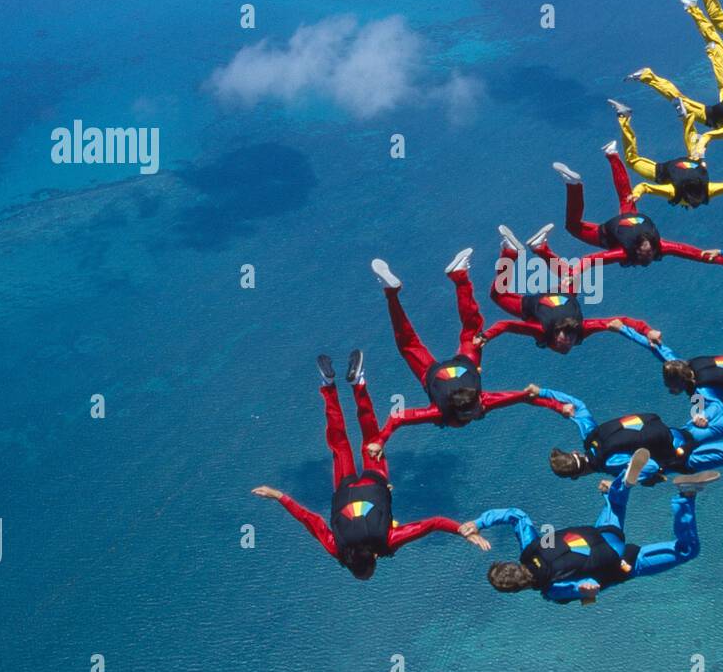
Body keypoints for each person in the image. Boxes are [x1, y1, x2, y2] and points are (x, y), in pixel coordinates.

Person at [250, 352, 490, 580]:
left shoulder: (389, 540)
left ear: (374, 558)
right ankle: (329, 384)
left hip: (375, 481)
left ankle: (358, 382)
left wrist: (461, 530)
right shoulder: (336, 549)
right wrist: (277, 495)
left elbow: (433, 523)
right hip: (344, 486)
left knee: (370, 437)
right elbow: (309, 520)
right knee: (339, 443)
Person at [367, 250, 572, 452]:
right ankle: (396, 292)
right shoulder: (463, 406)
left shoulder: (453, 409)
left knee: (467, 330)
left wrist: (559, 407)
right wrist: (380, 441)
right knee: (413, 343)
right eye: (477, 408)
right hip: (446, 372)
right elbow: (398, 418)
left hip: (457, 369)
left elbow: (524, 396)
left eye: (476, 408)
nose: (480, 408)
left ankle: (458, 277)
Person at [466, 450, 709, 604]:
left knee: (687, 550)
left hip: (622, 559)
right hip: (602, 531)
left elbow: (582, 588)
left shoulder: (551, 589)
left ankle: (685, 496)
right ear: (512, 565)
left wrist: (586, 592)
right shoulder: (530, 548)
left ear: (517, 590)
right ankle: (620, 483)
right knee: (615, 501)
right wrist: (478, 523)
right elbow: (516, 516)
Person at [537, 380, 723, 486]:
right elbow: (578, 407)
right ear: (576, 452)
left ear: (577, 476)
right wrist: (543, 392)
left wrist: (629, 481)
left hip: (682, 457)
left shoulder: (610, 463)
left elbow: (649, 466)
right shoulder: (591, 436)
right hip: (677, 432)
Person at [479, 224, 662, 354]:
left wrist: (647, 331)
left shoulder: (575, 329)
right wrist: (485, 336)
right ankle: (524, 251)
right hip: (546, 301)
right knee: (498, 294)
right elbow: (507, 325)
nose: (565, 345)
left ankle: (536, 249)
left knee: (570, 276)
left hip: (563, 296)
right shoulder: (550, 329)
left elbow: (505, 326)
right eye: (567, 343)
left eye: (562, 344)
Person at [552, 153, 723, 270]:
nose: (649, 255)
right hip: (609, 232)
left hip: (633, 220)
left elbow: (695, 254)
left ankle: (612, 155)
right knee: (573, 227)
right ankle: (574, 184)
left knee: (626, 198)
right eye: (648, 254)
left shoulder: (659, 244)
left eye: (646, 254)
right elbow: (591, 260)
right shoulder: (624, 251)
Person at [607, 100, 723, 208]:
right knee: (632, 160)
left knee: (695, 149)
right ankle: (624, 118)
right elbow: (645, 187)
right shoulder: (673, 192)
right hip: (665, 171)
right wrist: (636, 194)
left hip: (693, 162)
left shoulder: (708, 190)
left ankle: (687, 117)